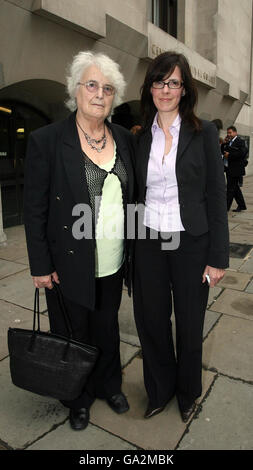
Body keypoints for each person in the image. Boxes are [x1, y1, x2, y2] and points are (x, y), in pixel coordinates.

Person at [24, 51, 135, 431]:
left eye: (108, 88)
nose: (100, 94)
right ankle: (78, 398)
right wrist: (40, 265)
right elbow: (34, 208)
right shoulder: (48, 141)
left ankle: (110, 385)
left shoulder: (124, 138)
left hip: (114, 261)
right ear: (75, 90)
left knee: (107, 328)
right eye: (92, 84)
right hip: (68, 262)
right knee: (73, 334)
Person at [133, 51, 229, 423]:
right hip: (150, 243)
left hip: (192, 243)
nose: (166, 89)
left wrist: (218, 256)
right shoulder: (141, 137)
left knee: (190, 323)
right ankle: (159, 390)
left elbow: (216, 195)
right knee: (151, 320)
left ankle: (188, 392)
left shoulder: (203, 132)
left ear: (185, 89)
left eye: (174, 82)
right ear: (150, 88)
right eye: (159, 81)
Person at [223, 126, 247, 212]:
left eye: (230, 132)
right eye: (228, 133)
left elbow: (242, 153)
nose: (228, 134)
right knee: (235, 188)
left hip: (236, 169)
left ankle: (225, 208)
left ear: (235, 132)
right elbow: (223, 150)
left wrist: (229, 155)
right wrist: (224, 143)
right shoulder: (229, 142)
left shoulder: (240, 141)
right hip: (229, 168)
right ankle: (242, 205)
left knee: (230, 188)